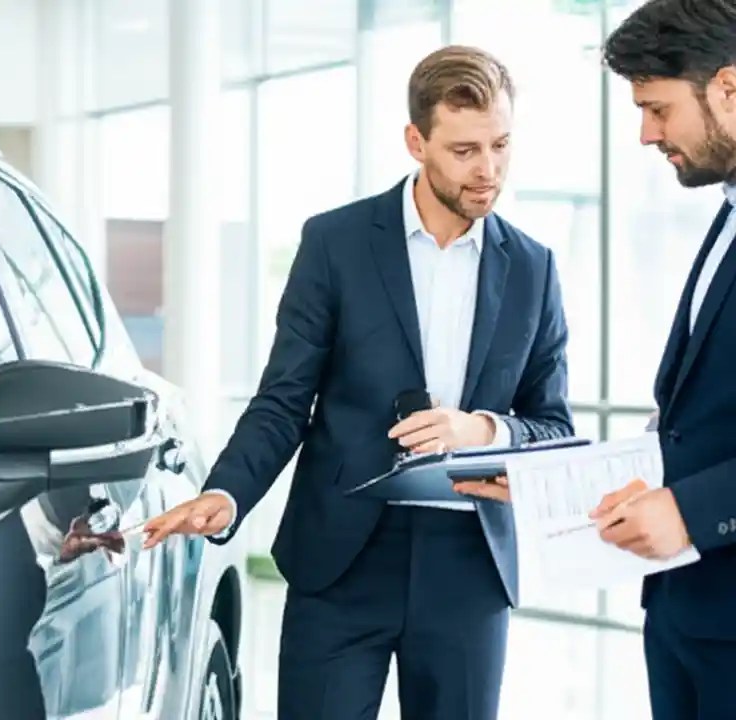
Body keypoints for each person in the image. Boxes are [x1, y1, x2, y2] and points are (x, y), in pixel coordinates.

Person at [142, 45, 574, 719]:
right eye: (463, 151)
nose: (488, 170)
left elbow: (554, 428)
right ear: (416, 142)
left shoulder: (533, 269)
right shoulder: (335, 244)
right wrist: (227, 491)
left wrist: (482, 429)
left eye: (500, 144)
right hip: (341, 559)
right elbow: (285, 400)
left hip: (468, 568)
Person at [596, 3, 736, 718]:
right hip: (687, 615)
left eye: (657, 108)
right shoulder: (726, 213)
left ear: (729, 88)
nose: (646, 134)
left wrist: (695, 510)